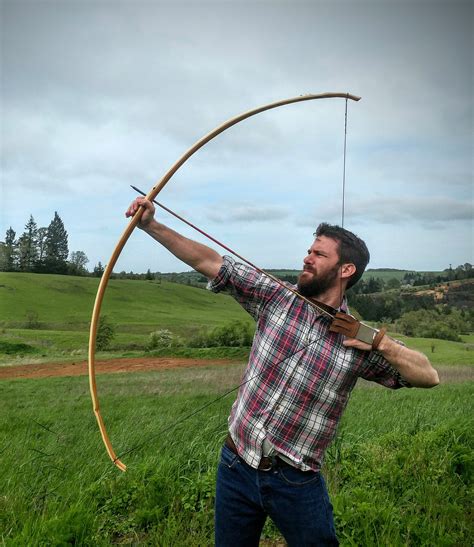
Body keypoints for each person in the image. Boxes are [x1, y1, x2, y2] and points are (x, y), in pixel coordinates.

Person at [126, 197, 439, 546]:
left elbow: (429, 377)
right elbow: (211, 261)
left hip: (296, 481)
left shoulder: (360, 338)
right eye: (309, 250)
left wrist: (382, 343)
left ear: (345, 270)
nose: (307, 257)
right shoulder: (276, 297)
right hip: (236, 463)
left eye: (319, 254)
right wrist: (151, 225)